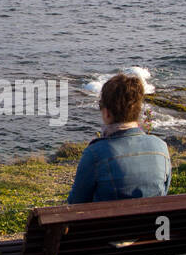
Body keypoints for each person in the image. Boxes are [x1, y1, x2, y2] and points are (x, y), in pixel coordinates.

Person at [67, 72, 171, 204]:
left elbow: (76, 203)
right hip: (153, 224)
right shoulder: (161, 147)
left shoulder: (95, 154)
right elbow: (163, 192)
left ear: (107, 113)